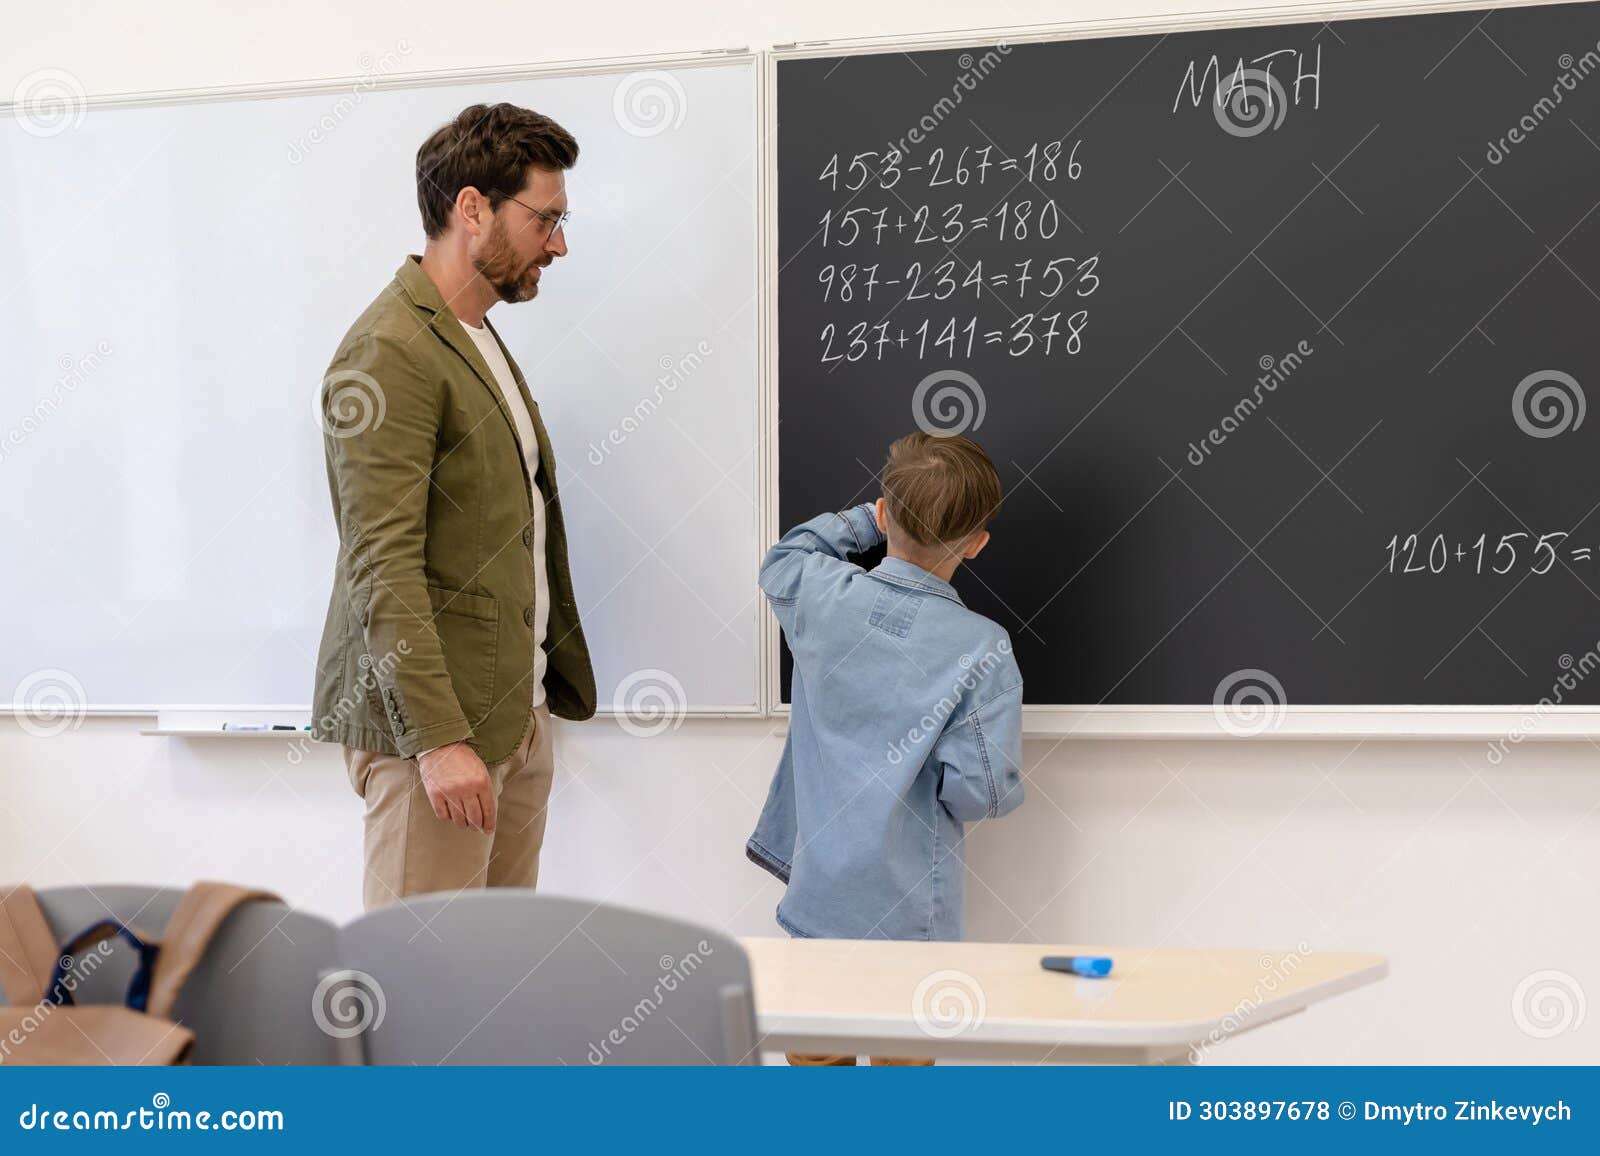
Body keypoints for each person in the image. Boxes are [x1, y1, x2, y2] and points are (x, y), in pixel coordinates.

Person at [311, 103, 596, 912]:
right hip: (436, 739)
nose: (558, 244)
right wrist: (438, 741)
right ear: (472, 208)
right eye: (545, 219)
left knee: (497, 977)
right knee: (417, 981)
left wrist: (531, 716)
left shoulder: (474, 335)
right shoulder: (389, 351)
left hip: (512, 718)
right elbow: (382, 565)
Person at [747, 431, 1025, 1065]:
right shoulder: (982, 646)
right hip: (909, 912)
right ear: (977, 544)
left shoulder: (819, 594)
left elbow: (785, 556)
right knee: (904, 1070)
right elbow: (982, 793)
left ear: (882, 513)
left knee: (816, 1062)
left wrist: (866, 520)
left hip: (819, 895)